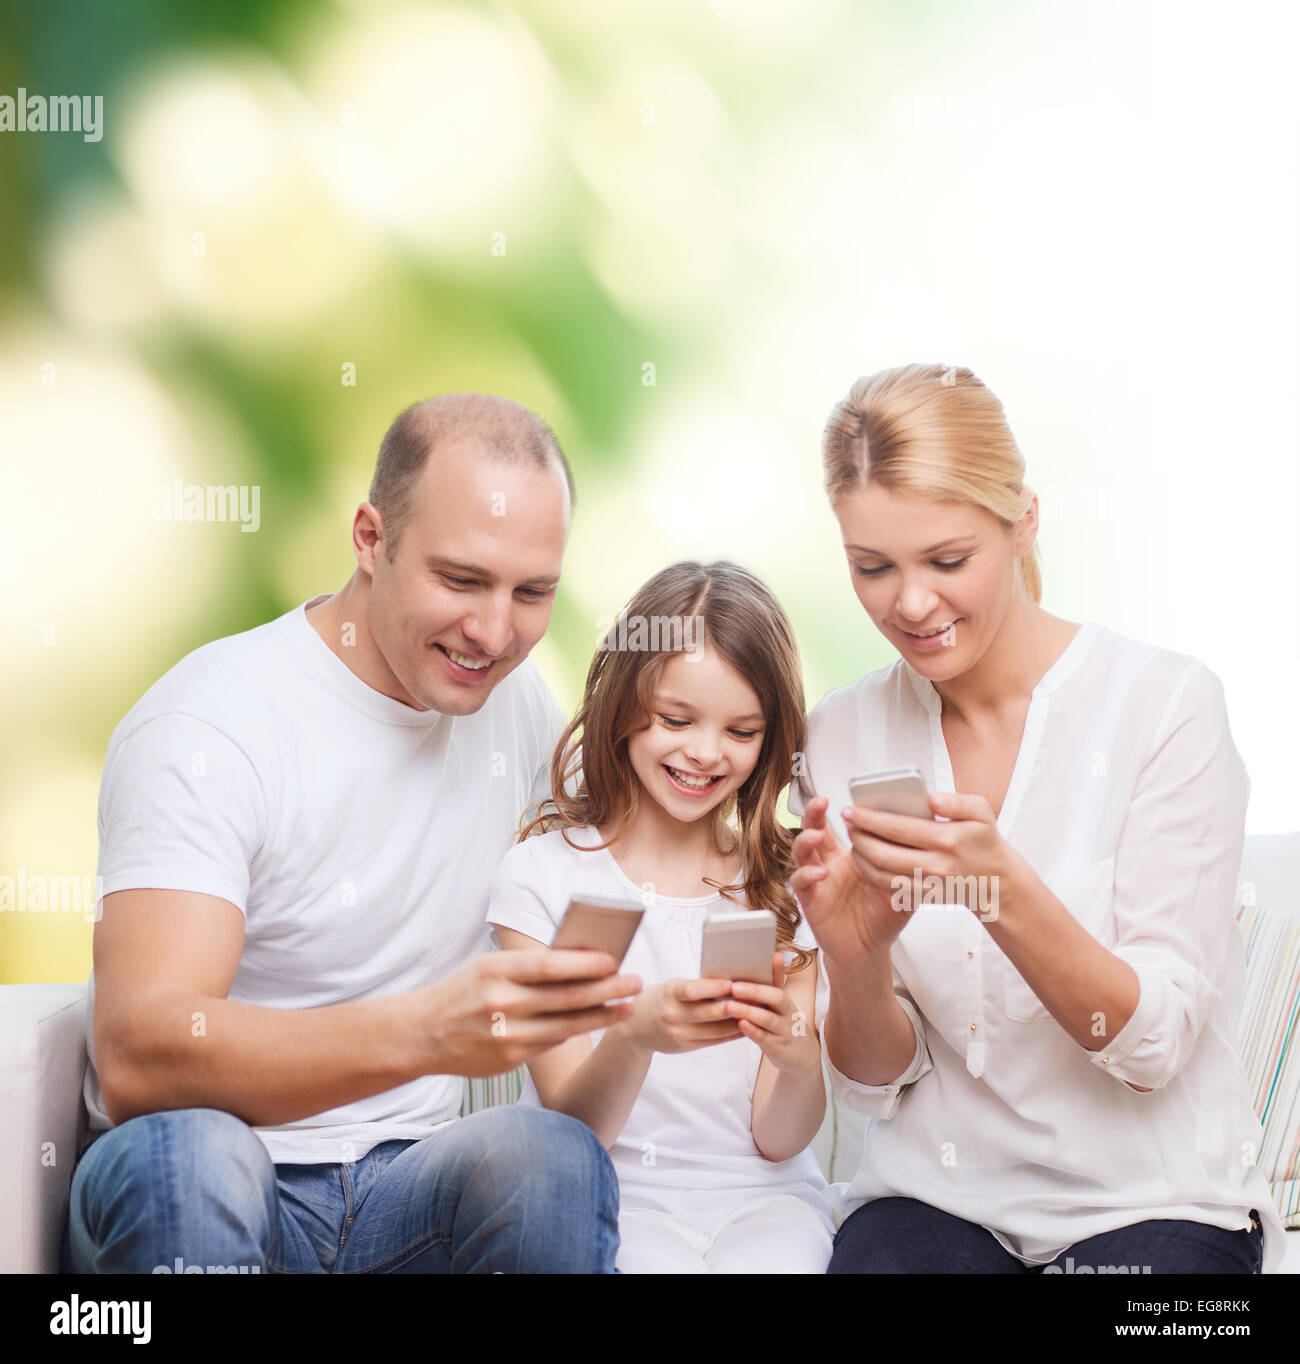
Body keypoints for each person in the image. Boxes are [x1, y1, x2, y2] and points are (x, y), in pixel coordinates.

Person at [63, 393, 642, 1275]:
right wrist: (423, 1033)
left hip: (402, 1190)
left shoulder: (517, 710)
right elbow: (142, 1054)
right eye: (461, 580)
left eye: (532, 593)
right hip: (215, 1176)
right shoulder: (210, 724)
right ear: (371, 539)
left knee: (548, 1160)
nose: (494, 632)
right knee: (194, 1158)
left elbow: (646, 846)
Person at [789, 362, 1285, 1274]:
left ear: (1024, 522)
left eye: (947, 560)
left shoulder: (1165, 706)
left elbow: (1153, 1048)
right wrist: (855, 960)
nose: (910, 603)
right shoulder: (842, 734)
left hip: (1156, 1205)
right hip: (935, 1203)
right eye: (872, 567)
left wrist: (998, 887)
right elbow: (873, 1081)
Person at [486, 562, 836, 1272]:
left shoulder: (789, 886)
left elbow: (777, 1139)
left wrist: (801, 1064)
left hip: (767, 1203)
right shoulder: (543, 877)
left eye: (741, 731)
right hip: (612, 1200)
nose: (705, 753)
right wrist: (637, 1036)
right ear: (621, 706)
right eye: (677, 720)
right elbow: (575, 1132)